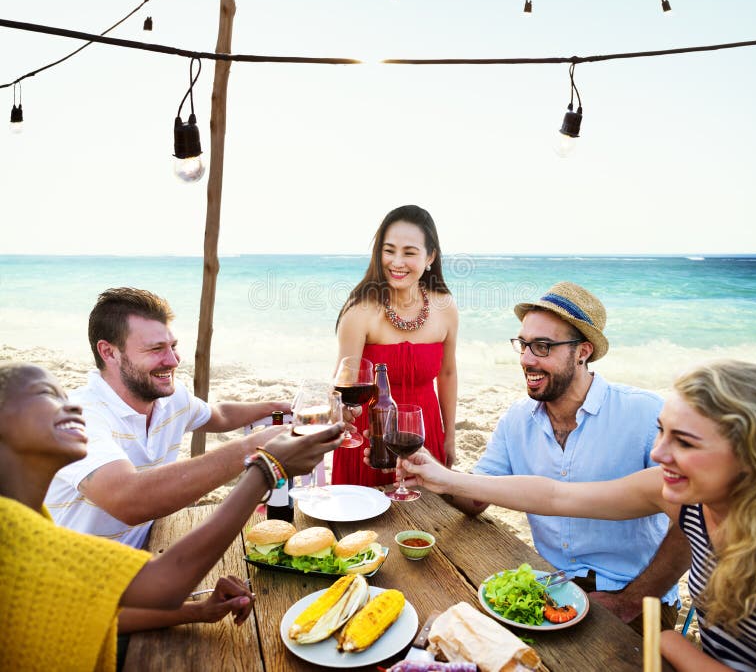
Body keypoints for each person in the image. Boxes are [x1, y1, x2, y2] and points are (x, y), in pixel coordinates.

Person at [399, 360, 756, 672]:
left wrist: (669, 643)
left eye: (685, 442)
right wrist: (445, 478)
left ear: (752, 455)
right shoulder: (688, 500)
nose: (659, 453)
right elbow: (556, 495)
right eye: (662, 432)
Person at [0, 361, 344, 672]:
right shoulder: (11, 533)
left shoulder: (32, 518)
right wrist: (266, 468)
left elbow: (80, 612)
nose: (72, 405)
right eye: (48, 394)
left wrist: (196, 611)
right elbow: (166, 581)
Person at [407, 281, 688, 631]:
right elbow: (475, 498)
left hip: (639, 593)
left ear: (582, 352)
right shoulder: (516, 420)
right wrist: (432, 473)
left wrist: (632, 600)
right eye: (523, 345)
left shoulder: (645, 414)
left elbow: (692, 523)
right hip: (552, 585)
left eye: (542, 347)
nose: (526, 359)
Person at [45, 287, 291, 550]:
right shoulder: (76, 417)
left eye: (173, 346)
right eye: (156, 349)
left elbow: (219, 415)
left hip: (142, 559)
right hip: (70, 578)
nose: (173, 361)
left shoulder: (169, 398)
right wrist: (258, 448)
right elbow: (128, 500)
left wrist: (275, 407)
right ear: (109, 352)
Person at [332, 205, 458, 488]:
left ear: (430, 257)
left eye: (409, 252)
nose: (396, 262)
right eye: (389, 251)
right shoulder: (360, 311)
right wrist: (340, 413)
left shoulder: (445, 307)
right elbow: (342, 383)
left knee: (426, 525)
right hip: (370, 440)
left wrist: (449, 435)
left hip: (424, 434)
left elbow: (448, 374)